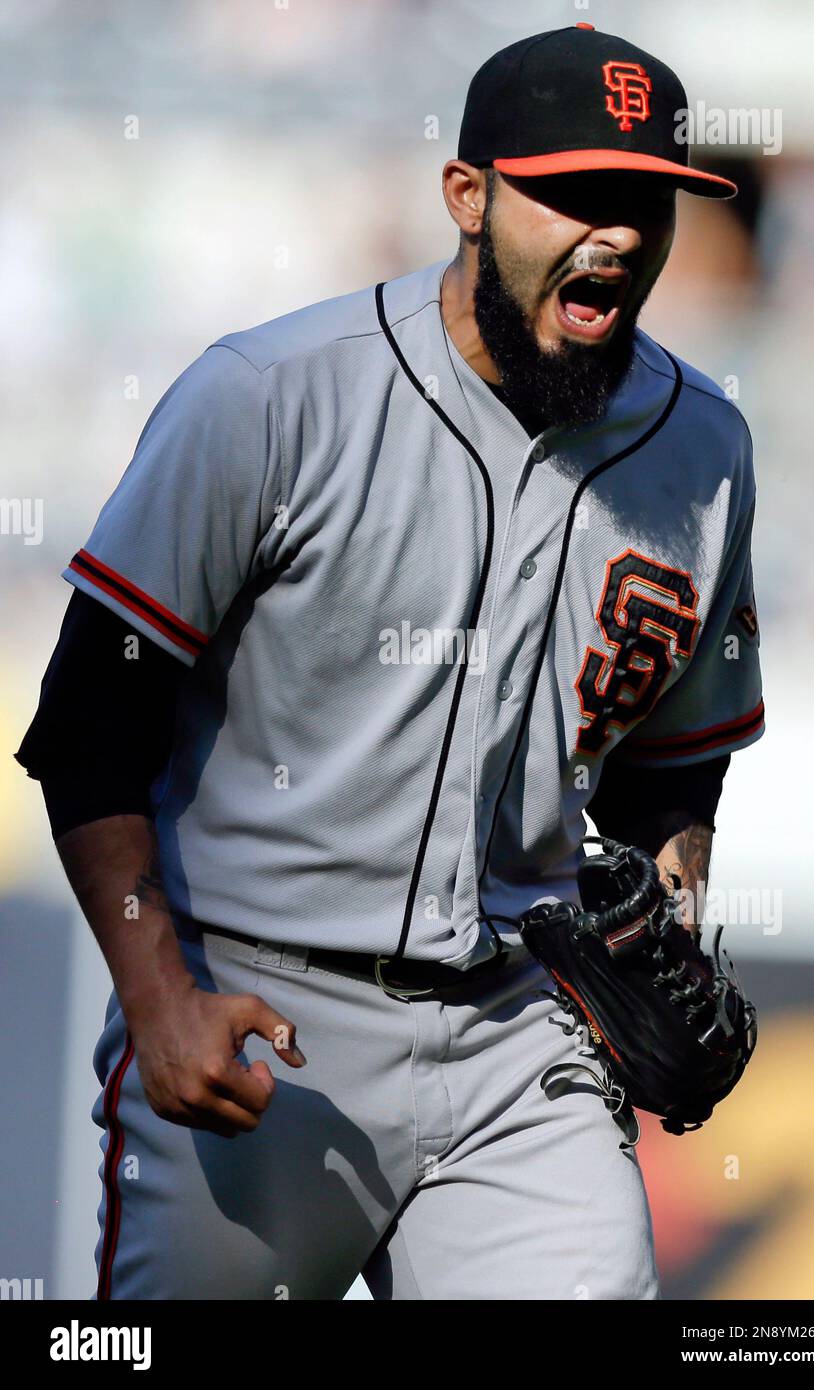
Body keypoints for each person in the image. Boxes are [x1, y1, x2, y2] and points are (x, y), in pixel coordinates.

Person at [16, 24, 763, 1300]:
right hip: (253, 1013)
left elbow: (674, 762)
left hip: (520, 1031)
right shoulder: (270, 395)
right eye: (572, 194)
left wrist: (670, 911)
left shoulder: (703, 446)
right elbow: (90, 723)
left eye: (644, 199)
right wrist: (157, 993)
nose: (620, 232)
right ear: (466, 197)